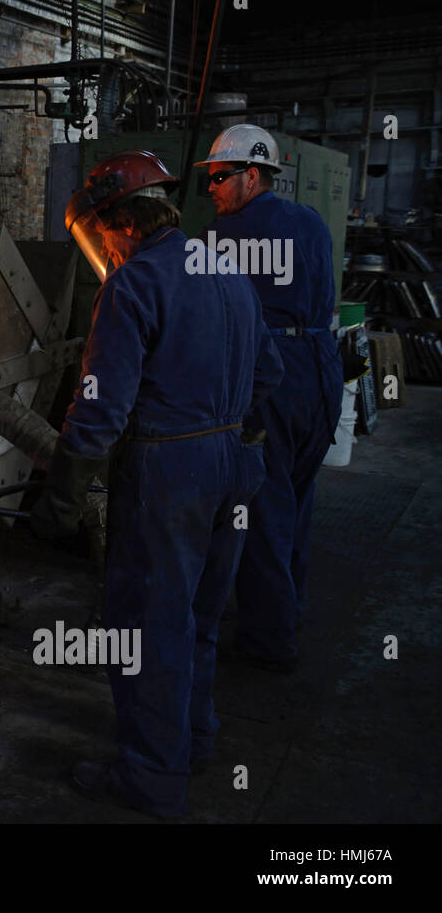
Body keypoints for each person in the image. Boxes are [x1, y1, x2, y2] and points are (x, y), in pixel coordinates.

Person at [31, 149, 283, 818]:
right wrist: (234, 440)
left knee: (147, 628)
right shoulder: (226, 271)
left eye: (98, 233)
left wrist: (60, 496)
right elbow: (270, 374)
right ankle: (193, 741)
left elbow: (100, 410)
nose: (104, 248)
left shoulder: (134, 284)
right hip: (235, 466)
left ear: (119, 222)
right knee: (199, 616)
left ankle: (150, 777)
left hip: (170, 476)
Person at [197, 125, 343, 672]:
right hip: (321, 372)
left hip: (275, 378)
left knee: (261, 513)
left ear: (251, 176)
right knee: (296, 505)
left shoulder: (223, 237)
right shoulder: (309, 222)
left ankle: (268, 641)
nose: (210, 188)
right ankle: (290, 611)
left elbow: (214, 319)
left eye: (218, 177)